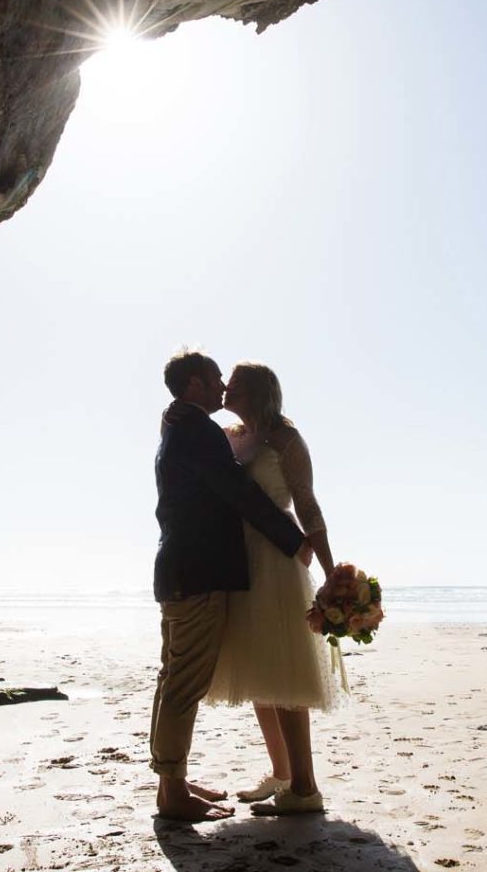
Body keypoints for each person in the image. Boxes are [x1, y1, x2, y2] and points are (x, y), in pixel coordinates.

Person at [150, 350, 312, 823]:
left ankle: (170, 778)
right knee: (184, 685)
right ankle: (173, 793)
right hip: (197, 573)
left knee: (172, 678)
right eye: (217, 378)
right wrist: (292, 541)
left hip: (181, 570)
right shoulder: (196, 430)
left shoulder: (182, 425)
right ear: (197, 384)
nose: (223, 386)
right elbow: (238, 492)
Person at [205, 361, 341, 816]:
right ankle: (281, 775)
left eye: (237, 383)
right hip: (236, 556)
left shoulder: (286, 438)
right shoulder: (230, 435)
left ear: (259, 390)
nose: (227, 387)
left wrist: (331, 573)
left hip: (277, 558)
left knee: (283, 675)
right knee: (259, 673)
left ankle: (306, 788)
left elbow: (307, 504)